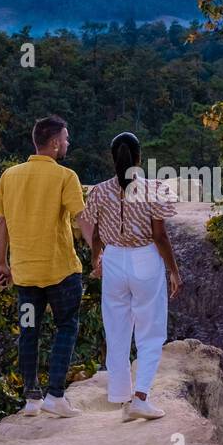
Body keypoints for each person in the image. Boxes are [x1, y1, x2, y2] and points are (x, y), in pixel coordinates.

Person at [0, 114, 89, 418]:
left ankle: (32, 399)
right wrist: (100, 252)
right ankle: (56, 396)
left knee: (29, 331)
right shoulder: (65, 176)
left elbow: (1, 222)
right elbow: (81, 218)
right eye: (66, 138)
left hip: (24, 274)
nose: (68, 143)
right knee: (66, 325)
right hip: (60, 270)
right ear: (55, 143)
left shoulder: (10, 176)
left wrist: (1, 263)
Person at [84, 131, 181, 420]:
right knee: (150, 332)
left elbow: (96, 230)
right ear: (138, 158)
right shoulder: (154, 189)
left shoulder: (99, 191)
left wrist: (96, 257)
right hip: (145, 259)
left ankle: (122, 397)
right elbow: (160, 236)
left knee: (116, 331)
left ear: (112, 158)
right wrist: (173, 270)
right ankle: (140, 398)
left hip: (114, 259)